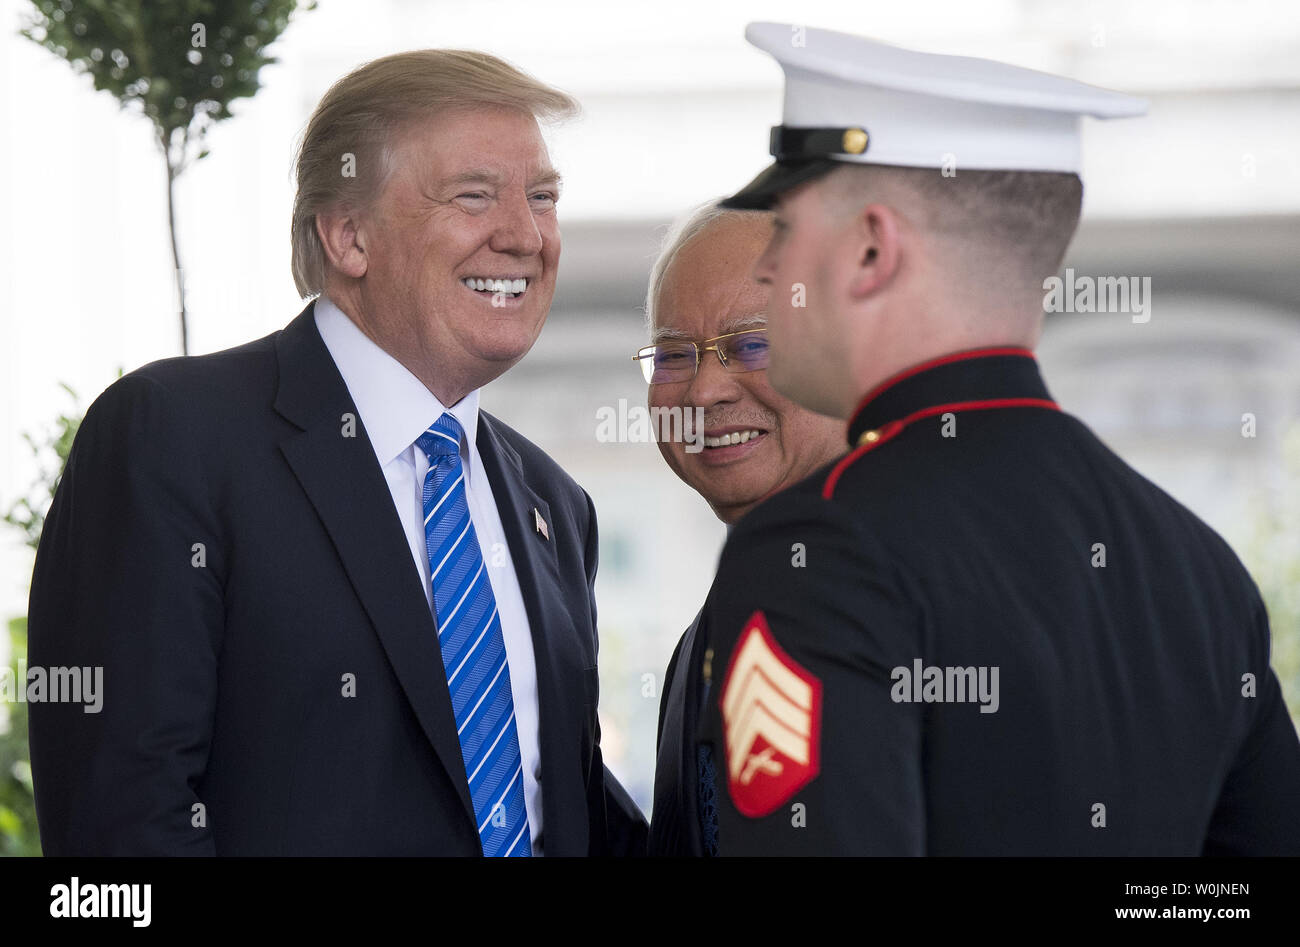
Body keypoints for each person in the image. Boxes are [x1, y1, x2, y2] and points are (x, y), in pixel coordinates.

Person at [696, 23, 1300, 854]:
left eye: (786, 229)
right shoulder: (1196, 565)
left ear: (872, 247)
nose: (766, 271)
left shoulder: (821, 545)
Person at [28, 49, 645, 856]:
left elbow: (573, 814)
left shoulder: (554, 504)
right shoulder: (172, 437)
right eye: (474, 196)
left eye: (543, 197)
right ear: (348, 235)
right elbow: (122, 826)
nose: (526, 235)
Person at [635, 202, 845, 855]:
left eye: (752, 345)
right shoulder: (706, 639)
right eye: (674, 355)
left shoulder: (937, 589)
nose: (703, 392)